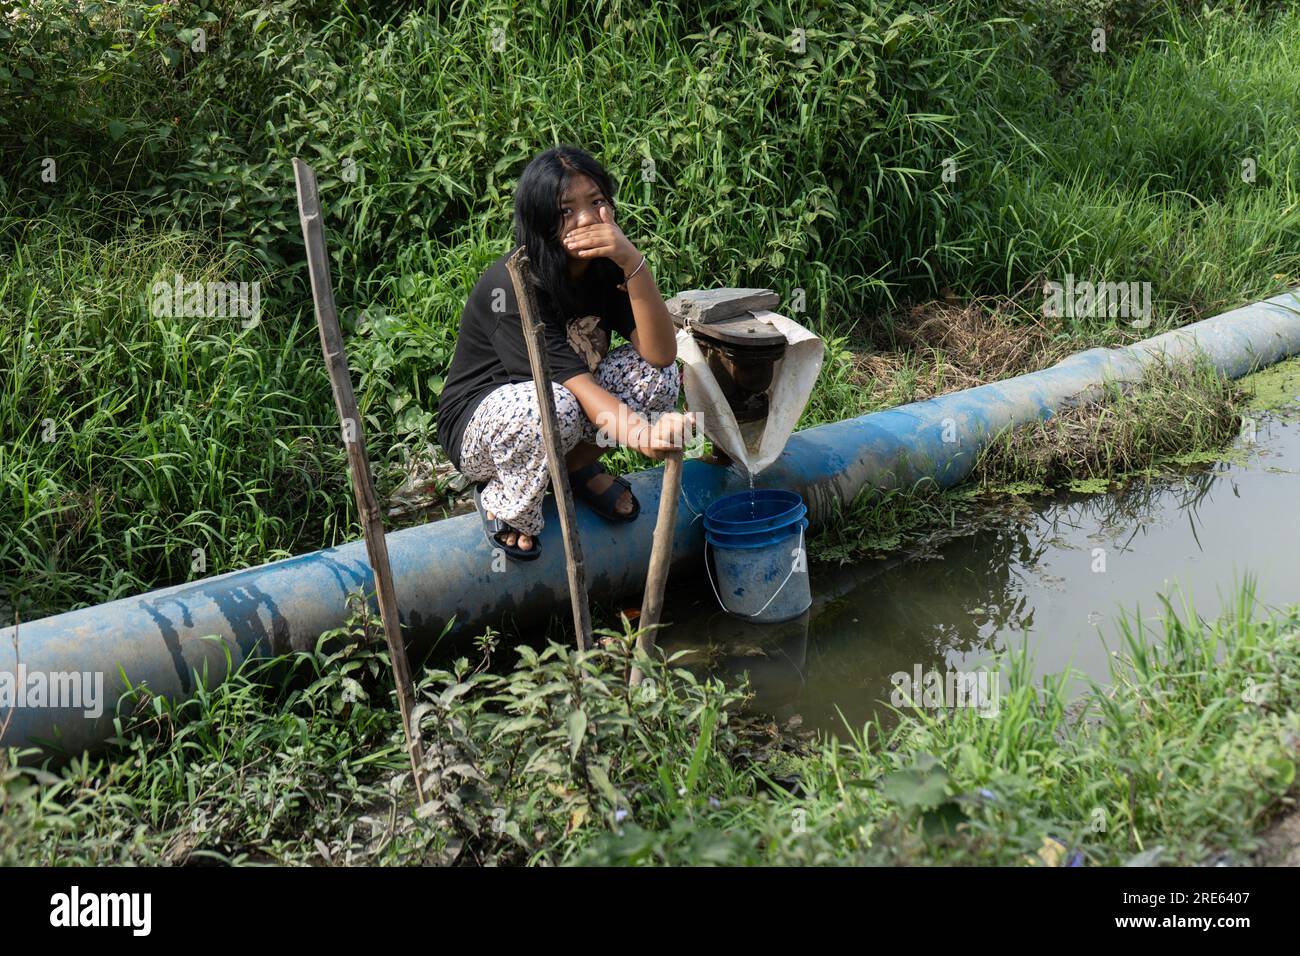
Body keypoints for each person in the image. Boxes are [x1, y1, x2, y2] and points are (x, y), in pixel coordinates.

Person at [435, 144, 696, 560]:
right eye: (566, 211)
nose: (588, 220)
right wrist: (643, 436)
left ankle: (572, 469)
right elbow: (579, 390)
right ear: (540, 222)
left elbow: (661, 353)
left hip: (565, 407)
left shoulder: (606, 266)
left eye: (596, 203)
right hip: (487, 428)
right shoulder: (514, 285)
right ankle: (508, 502)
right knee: (554, 405)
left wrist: (632, 261)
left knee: (655, 375)